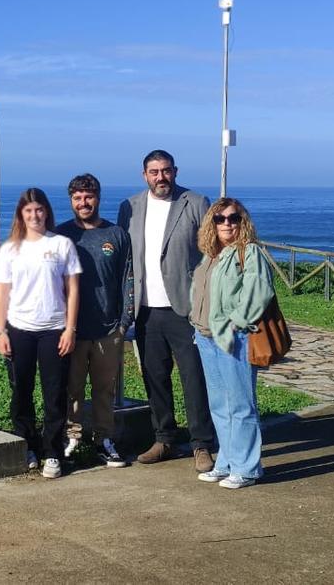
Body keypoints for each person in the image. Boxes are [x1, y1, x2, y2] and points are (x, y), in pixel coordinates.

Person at [116, 149, 216, 471]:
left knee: (193, 377)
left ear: (175, 171)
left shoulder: (196, 202)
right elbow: (125, 259)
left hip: (183, 309)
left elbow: (209, 253)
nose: (161, 177)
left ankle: (201, 443)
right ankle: (164, 440)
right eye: (154, 172)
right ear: (144, 175)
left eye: (166, 171)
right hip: (145, 309)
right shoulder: (129, 207)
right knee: (154, 377)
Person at [0, 188, 82, 479]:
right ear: (21, 214)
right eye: (29, 210)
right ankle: (27, 446)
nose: (34, 215)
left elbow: (73, 291)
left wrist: (70, 328)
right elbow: (2, 294)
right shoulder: (9, 249)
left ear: (47, 211)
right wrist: (1, 331)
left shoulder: (62, 245)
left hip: (54, 330)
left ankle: (52, 453)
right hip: (19, 329)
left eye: (39, 209)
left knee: (54, 394)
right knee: (21, 391)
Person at [189, 198, 273, 489]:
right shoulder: (211, 255)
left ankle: (248, 467)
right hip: (205, 336)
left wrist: (234, 323)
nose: (227, 223)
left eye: (233, 218)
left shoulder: (248, 253)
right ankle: (226, 462)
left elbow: (259, 292)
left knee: (241, 404)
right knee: (220, 405)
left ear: (243, 222)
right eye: (220, 219)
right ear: (211, 223)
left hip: (233, 338)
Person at [56, 174, 132, 468]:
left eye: (88, 197)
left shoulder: (116, 235)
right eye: (77, 198)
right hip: (71, 330)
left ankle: (104, 439)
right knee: (71, 388)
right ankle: (72, 437)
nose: (83, 203)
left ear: (98, 197)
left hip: (108, 328)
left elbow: (128, 278)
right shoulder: (61, 235)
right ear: (71, 201)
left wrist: (124, 322)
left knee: (104, 389)